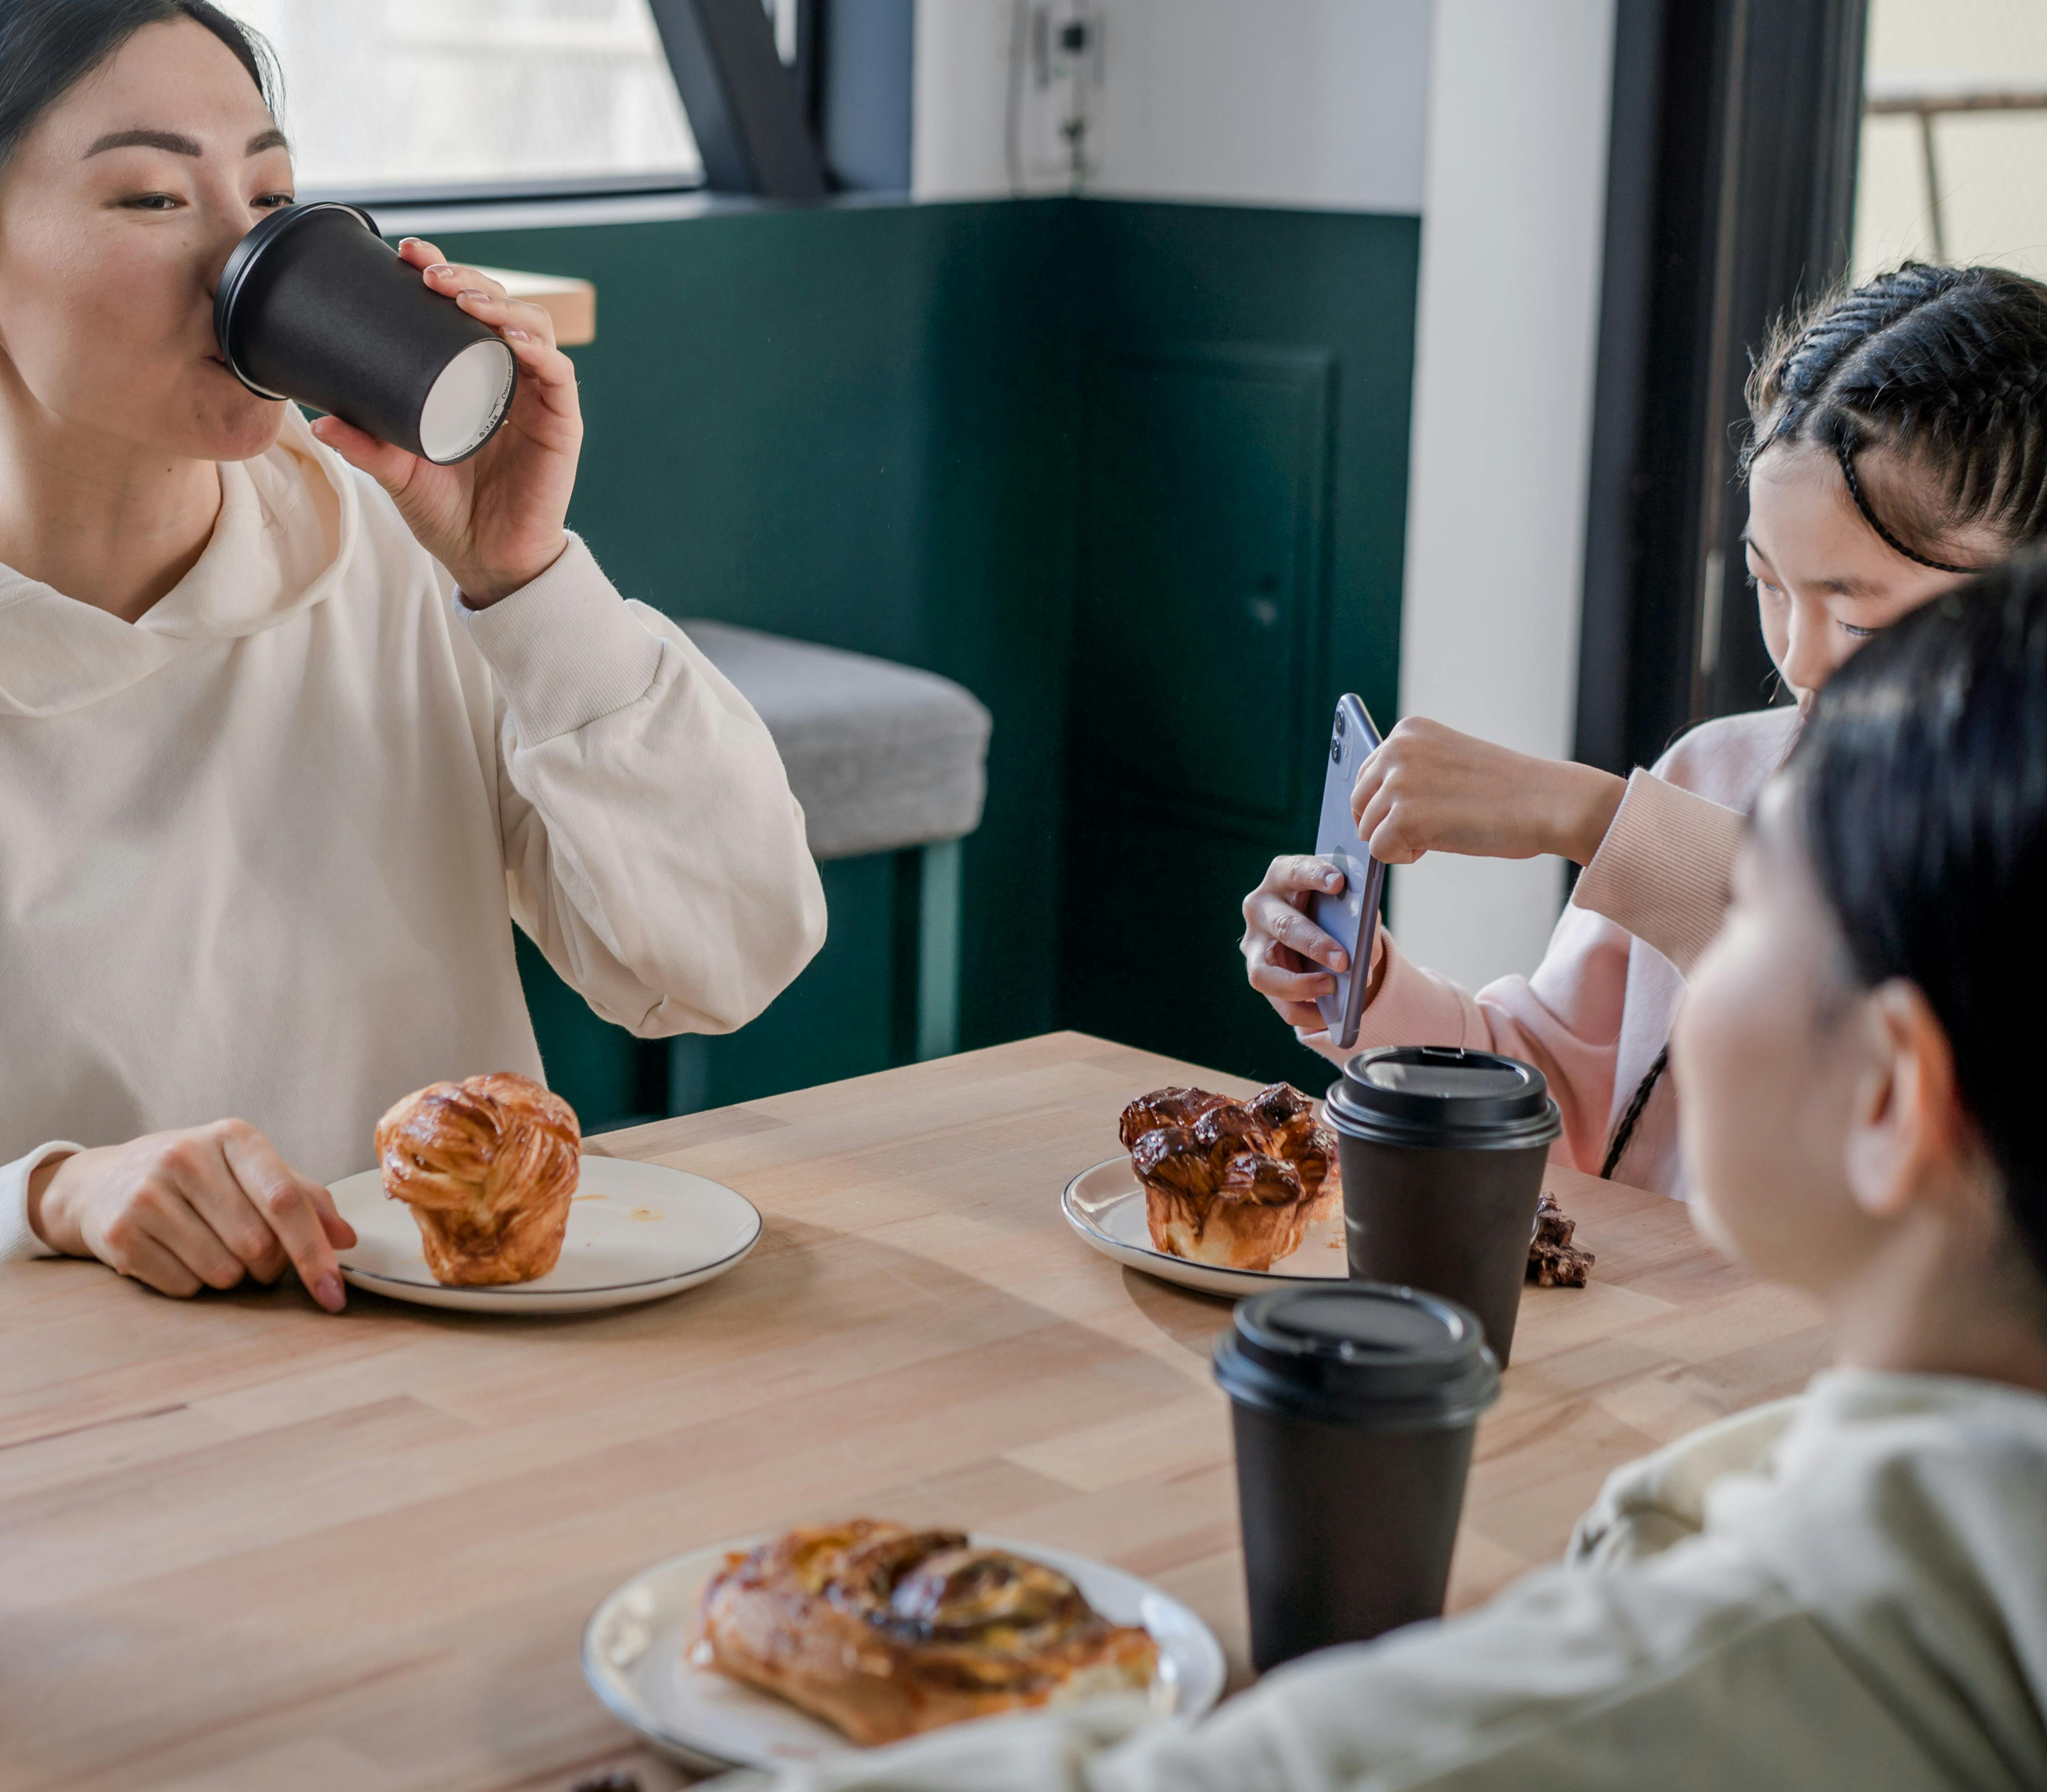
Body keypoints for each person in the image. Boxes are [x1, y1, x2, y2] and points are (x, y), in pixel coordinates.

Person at [718, 559, 2047, 1791]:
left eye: (1750, 916)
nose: (1805, 649)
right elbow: (1542, 1077)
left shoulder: (1765, 1645)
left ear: (1888, 1093)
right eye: (1764, 578)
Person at [0, 0, 825, 1309]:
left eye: (272, 192)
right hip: (83, 1455)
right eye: (148, 196)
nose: (249, 258)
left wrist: (526, 582)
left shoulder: (414, 576)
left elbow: (729, 956)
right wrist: (49, 1196)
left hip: (463, 1401)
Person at [1239, 264, 2047, 1195]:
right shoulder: (1713, 771)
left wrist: (1590, 815)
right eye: (1768, 586)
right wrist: (1366, 988)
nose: (1799, 660)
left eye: (1857, 613)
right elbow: (1565, 1102)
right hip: (1644, 1333)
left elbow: (1879, 992)